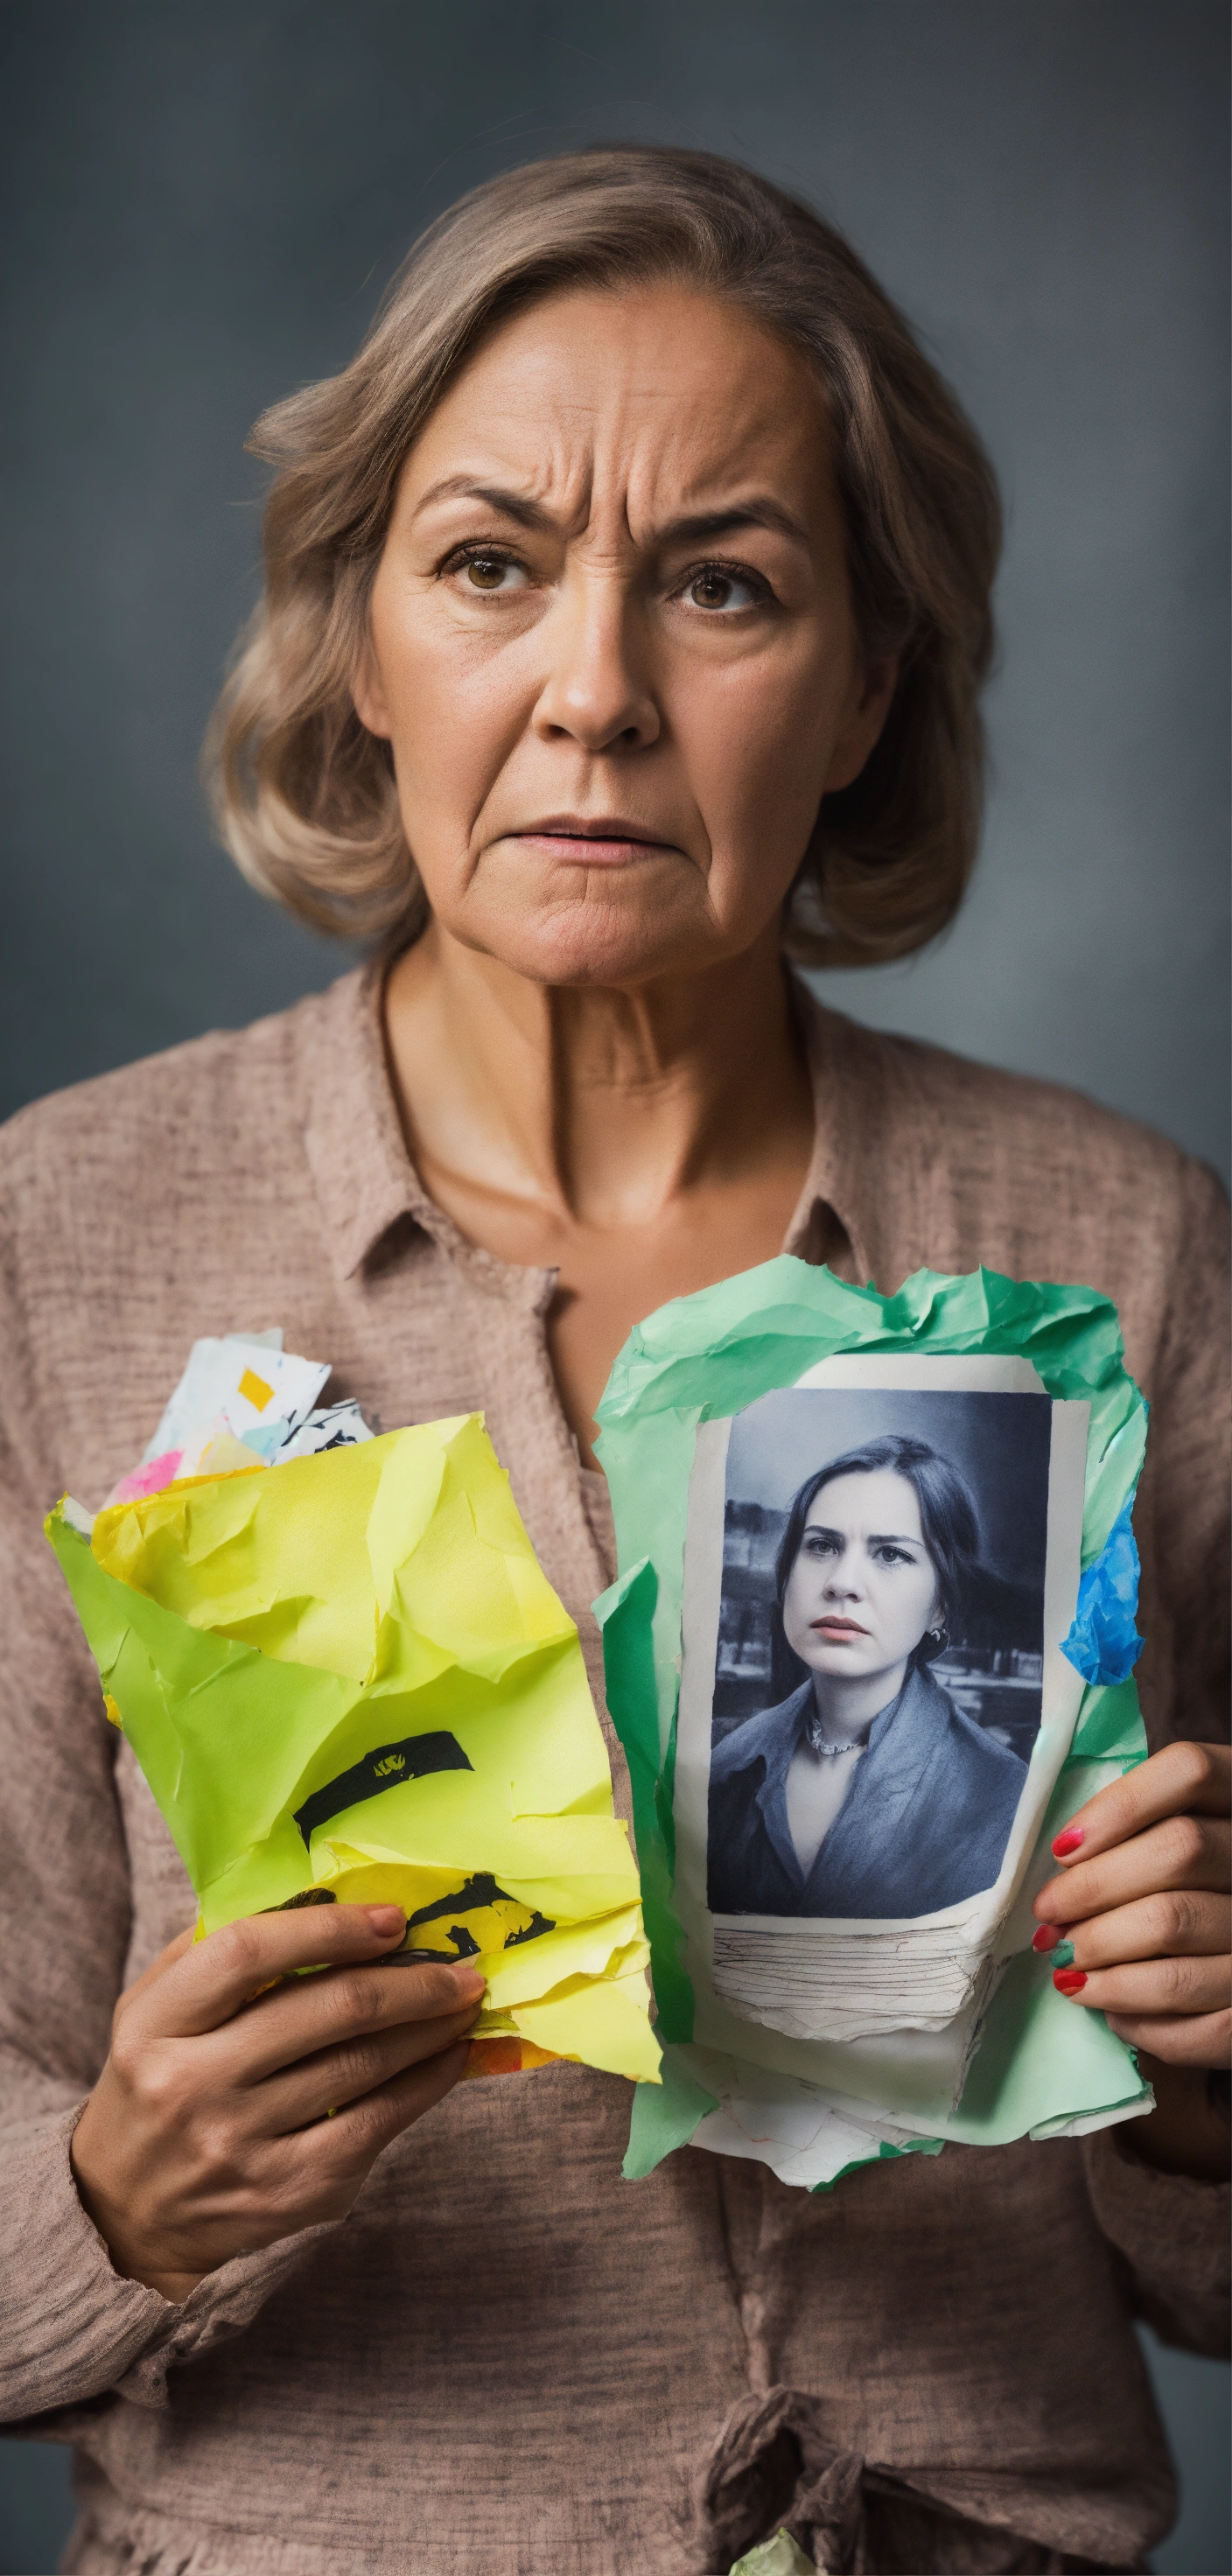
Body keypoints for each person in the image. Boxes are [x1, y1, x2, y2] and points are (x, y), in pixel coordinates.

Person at [0, 146, 1228, 2576]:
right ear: (362, 644)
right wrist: (107, 2199)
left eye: (728, 587)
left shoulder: (1128, 1253)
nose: (595, 691)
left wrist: (1206, 2096)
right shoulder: (59, 1241)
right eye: (489, 565)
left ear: (873, 681)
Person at [708, 1435, 1027, 1918]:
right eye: (821, 1546)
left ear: (941, 1604)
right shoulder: (728, 1764)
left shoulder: (1003, 1797)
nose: (842, 1582)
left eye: (891, 1554)